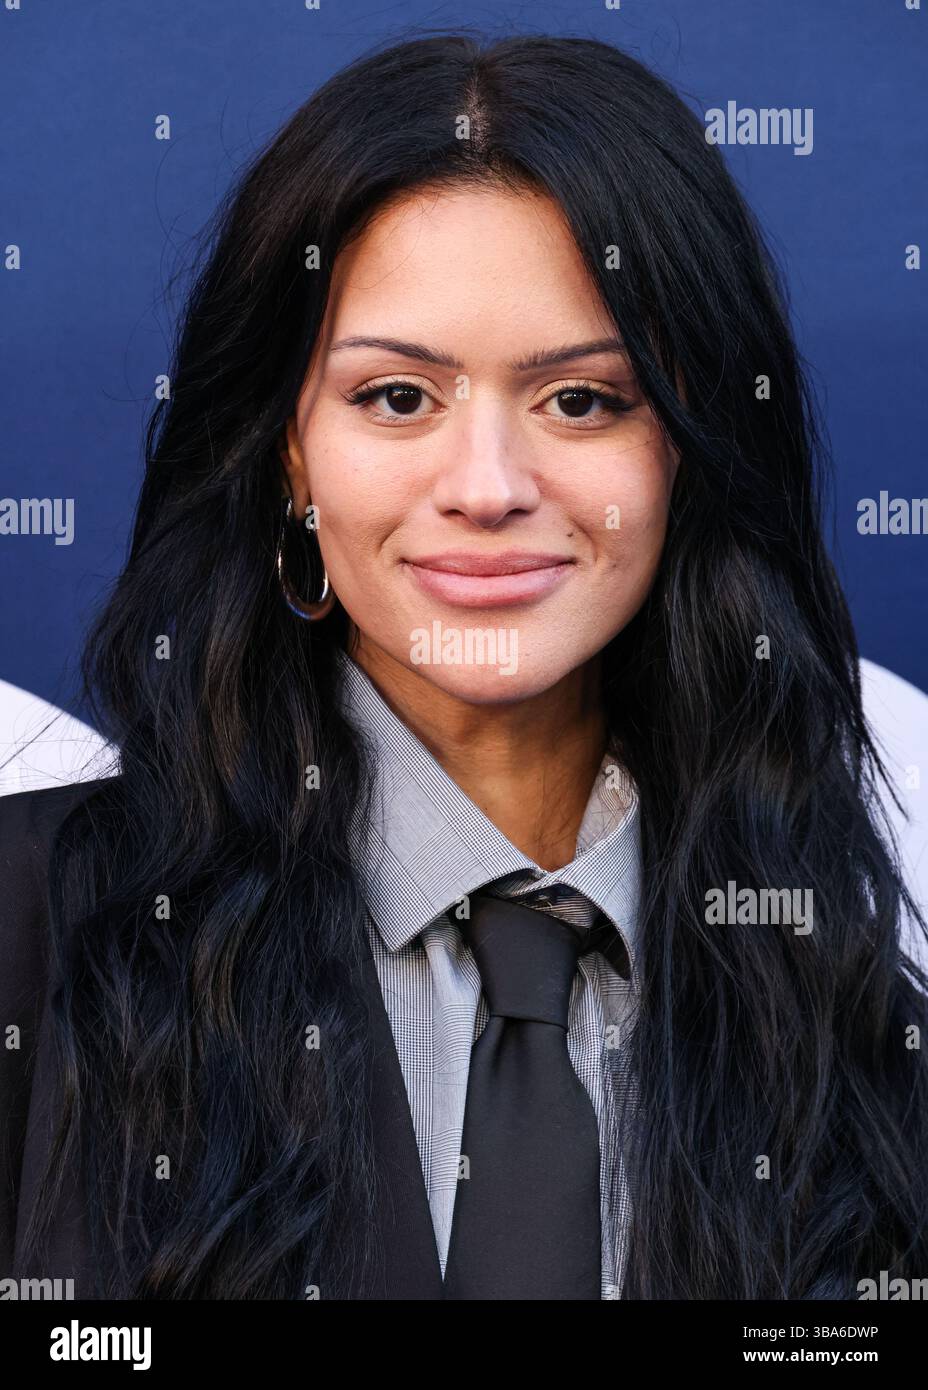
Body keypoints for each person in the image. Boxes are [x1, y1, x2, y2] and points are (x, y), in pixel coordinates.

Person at [1, 31, 926, 1302]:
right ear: (285, 453)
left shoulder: (853, 1016)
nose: (487, 488)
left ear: (689, 456)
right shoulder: (36, 934)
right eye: (396, 398)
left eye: (583, 402)